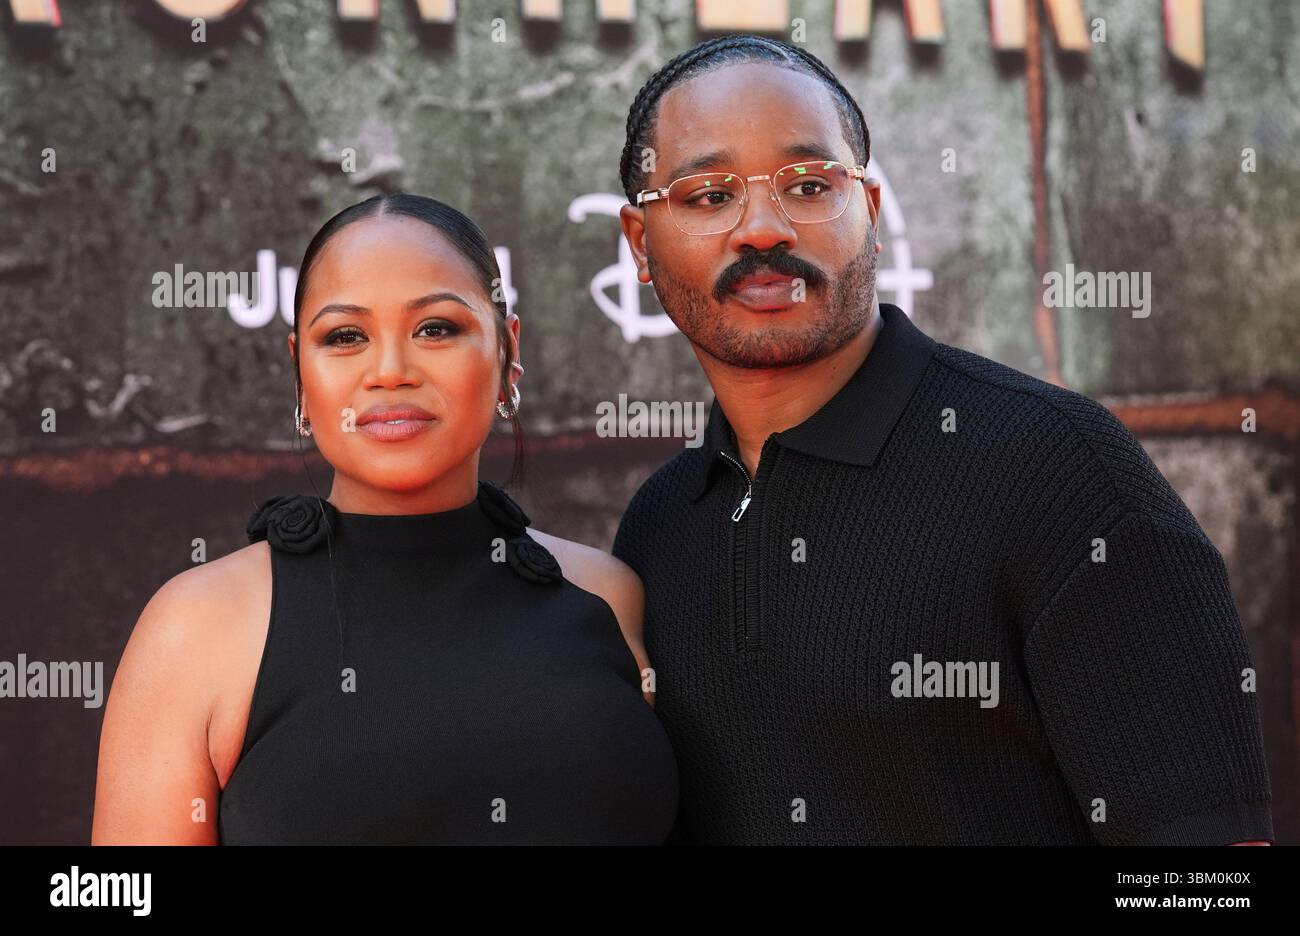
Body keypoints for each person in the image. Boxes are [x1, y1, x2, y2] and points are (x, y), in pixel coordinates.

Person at [610, 35, 1272, 845]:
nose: (762, 229)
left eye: (810, 184)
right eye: (709, 195)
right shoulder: (659, 525)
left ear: (870, 212)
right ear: (640, 244)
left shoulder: (1056, 469)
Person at [92, 193, 677, 844]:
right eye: (345, 337)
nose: (391, 372)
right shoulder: (197, 627)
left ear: (508, 352)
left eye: (436, 328)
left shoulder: (607, 595)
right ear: (299, 375)